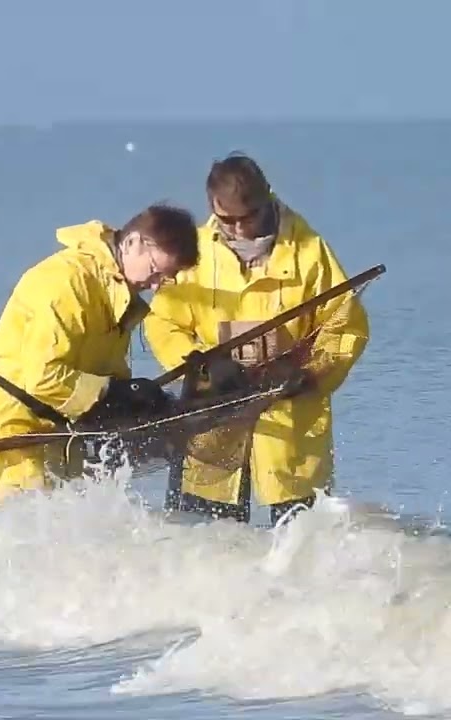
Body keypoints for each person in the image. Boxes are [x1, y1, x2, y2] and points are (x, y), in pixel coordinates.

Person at [143, 152, 370, 525]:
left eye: (247, 218)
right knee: (203, 547)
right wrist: (200, 361)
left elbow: (344, 326)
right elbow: (163, 322)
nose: (239, 229)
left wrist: (310, 374)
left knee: (302, 547)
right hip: (212, 422)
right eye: (227, 220)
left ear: (267, 197)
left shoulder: (309, 252)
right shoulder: (195, 253)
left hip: (289, 431)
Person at [0, 203, 201, 508]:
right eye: (155, 271)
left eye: (166, 278)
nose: (155, 285)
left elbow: (100, 365)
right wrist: (112, 393)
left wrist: (136, 401)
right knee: (37, 534)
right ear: (133, 242)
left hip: (58, 435)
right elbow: (43, 378)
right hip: (10, 433)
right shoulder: (67, 283)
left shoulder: (118, 292)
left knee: (79, 528)